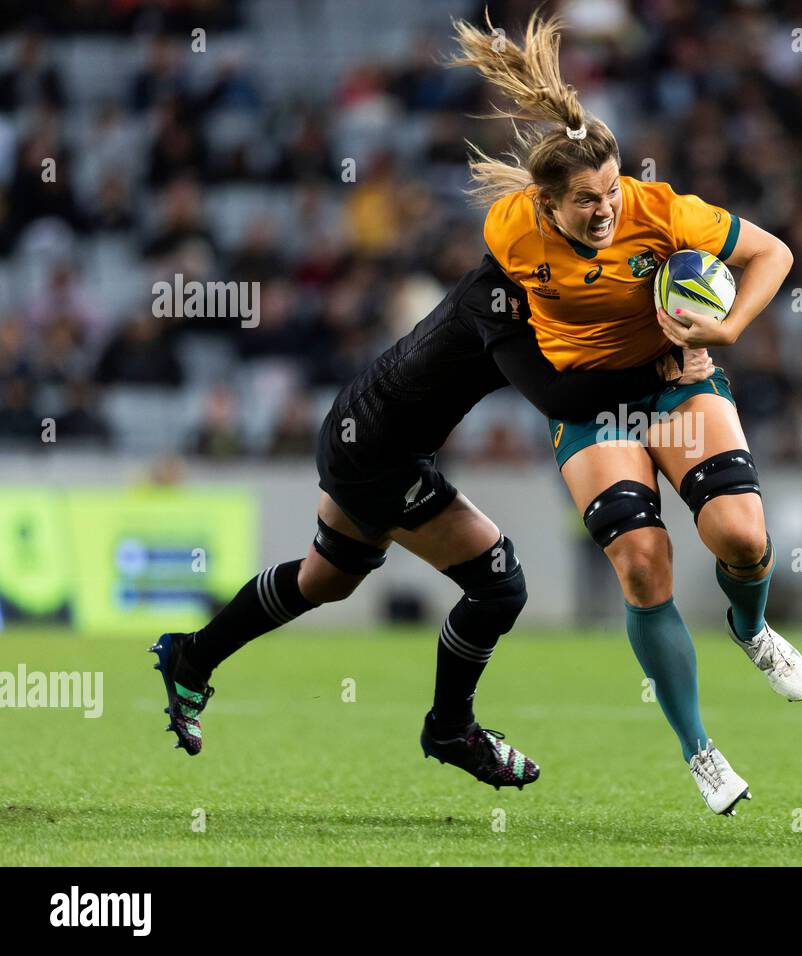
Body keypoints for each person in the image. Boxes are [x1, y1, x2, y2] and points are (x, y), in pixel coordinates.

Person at [151, 254, 709, 791]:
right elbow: (555, 394)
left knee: (325, 579)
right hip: (377, 452)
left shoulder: (537, 286)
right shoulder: (499, 298)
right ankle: (451, 729)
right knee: (498, 583)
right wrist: (656, 366)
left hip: (364, 432)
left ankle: (191, 658)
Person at [448, 11, 802, 815]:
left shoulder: (659, 208)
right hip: (591, 408)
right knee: (643, 561)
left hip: (676, 384)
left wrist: (726, 328)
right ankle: (701, 751)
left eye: (611, 191)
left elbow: (773, 254)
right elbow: (502, 316)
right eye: (586, 201)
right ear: (545, 203)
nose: (607, 210)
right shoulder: (509, 232)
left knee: (743, 537)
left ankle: (749, 627)